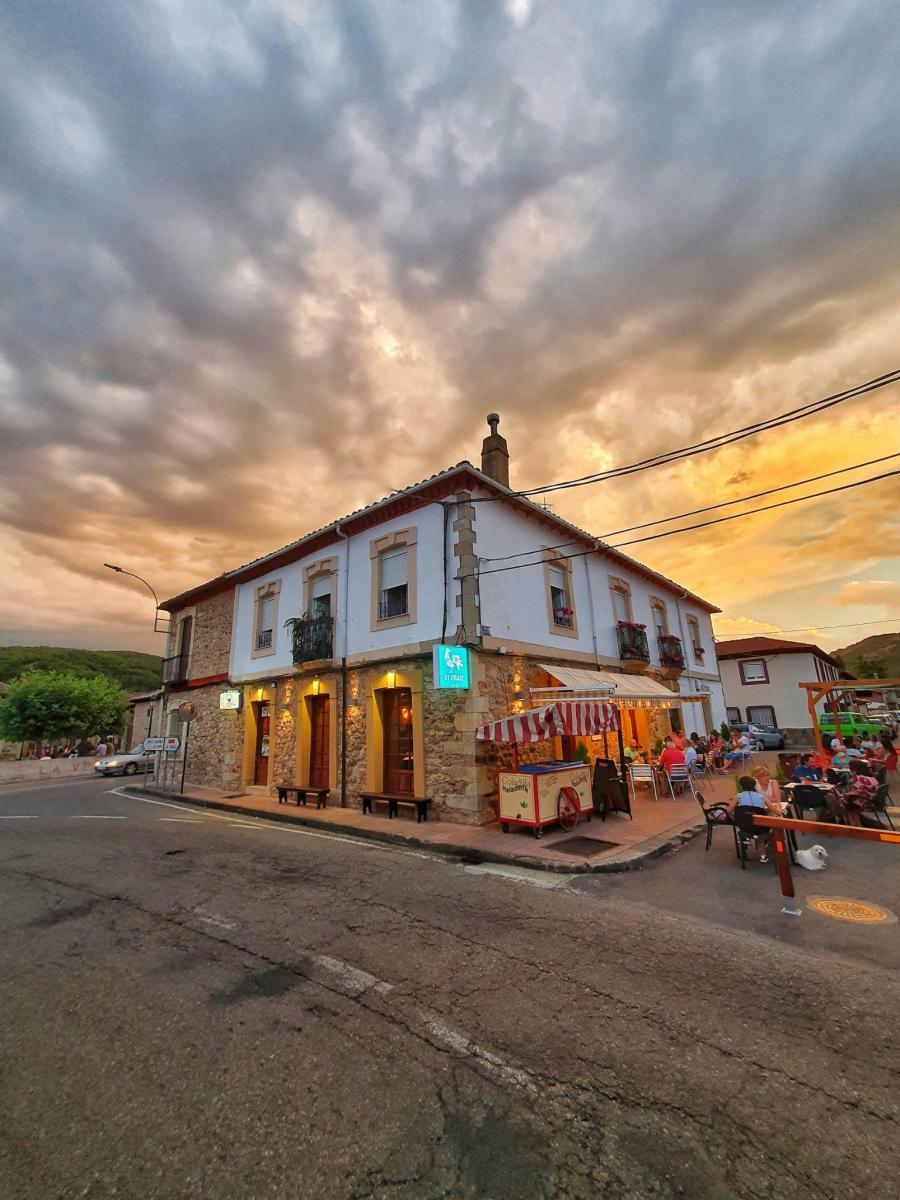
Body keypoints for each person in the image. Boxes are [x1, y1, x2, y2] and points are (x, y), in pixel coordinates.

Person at [843, 760, 878, 826]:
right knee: (849, 802)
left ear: (853, 770)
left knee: (845, 802)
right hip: (873, 801)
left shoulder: (856, 779)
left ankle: (854, 824)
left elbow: (853, 792)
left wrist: (844, 795)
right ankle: (857, 823)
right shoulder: (872, 777)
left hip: (864, 803)